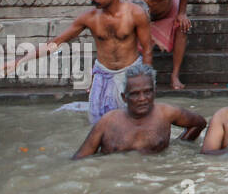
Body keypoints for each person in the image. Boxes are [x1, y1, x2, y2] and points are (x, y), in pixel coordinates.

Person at [0, 0, 151, 124]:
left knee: (133, 124)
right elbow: (56, 43)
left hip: (130, 73)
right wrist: (19, 61)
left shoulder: (136, 13)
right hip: (103, 76)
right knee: (99, 125)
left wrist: (146, 82)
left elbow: (147, 49)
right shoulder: (89, 18)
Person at [72, 62, 205, 158]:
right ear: (124, 97)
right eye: (135, 94)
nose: (142, 98)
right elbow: (80, 159)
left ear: (154, 92)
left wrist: (182, 144)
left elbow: (199, 123)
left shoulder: (167, 113)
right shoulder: (107, 122)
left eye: (147, 92)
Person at [126, 0, 192, 90]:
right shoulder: (128, 9)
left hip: (170, 9)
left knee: (183, 26)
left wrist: (182, 13)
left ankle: (175, 75)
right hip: (147, 15)